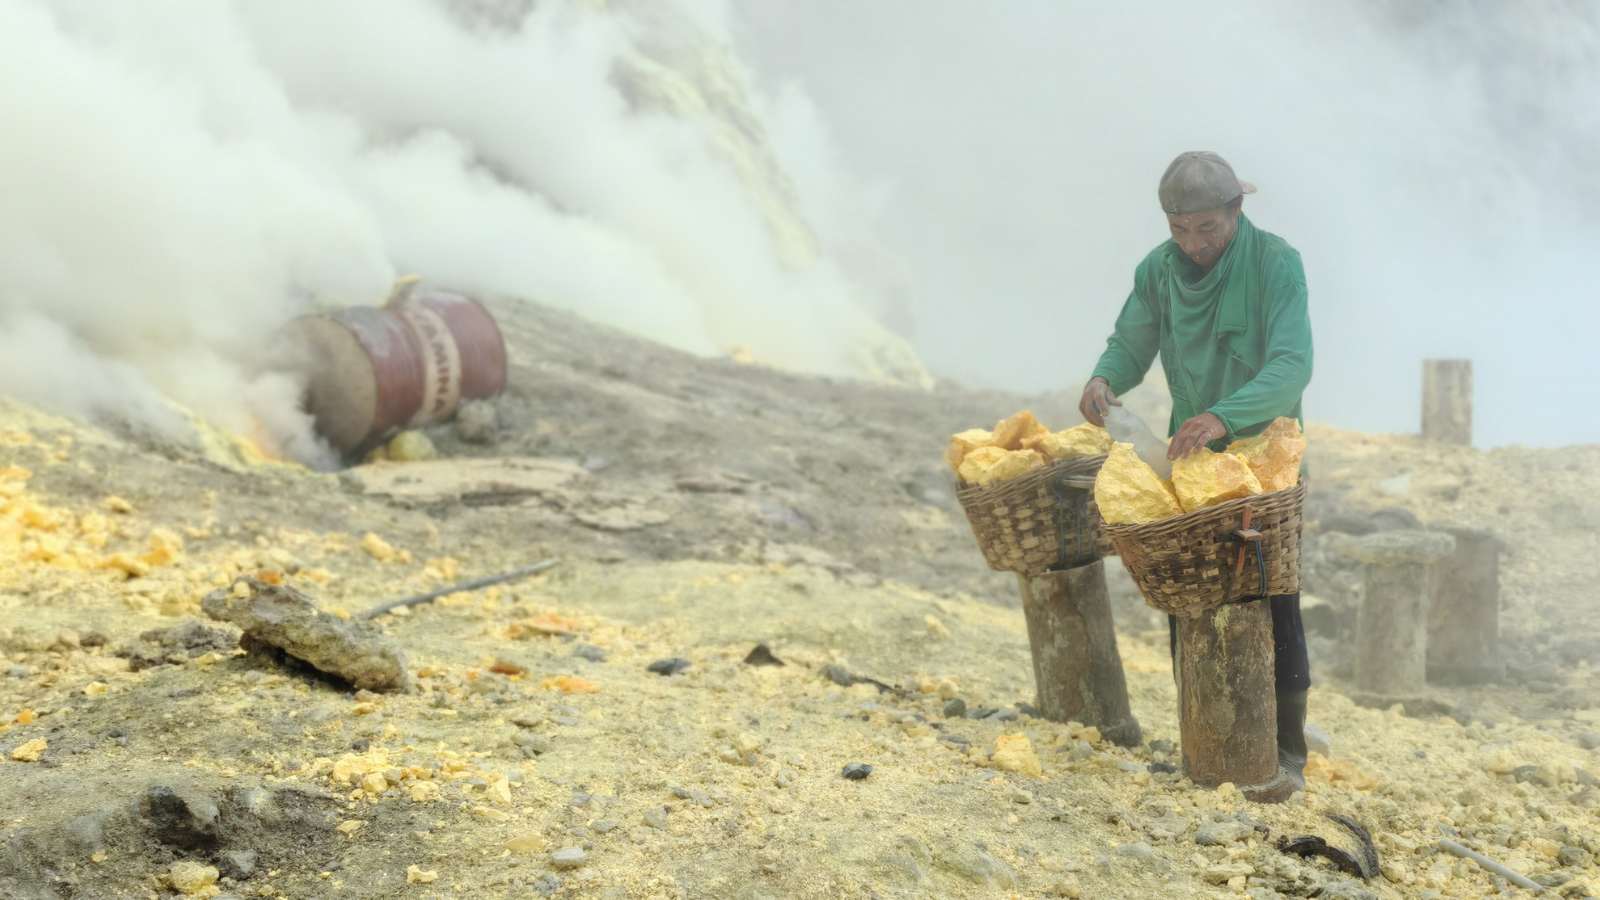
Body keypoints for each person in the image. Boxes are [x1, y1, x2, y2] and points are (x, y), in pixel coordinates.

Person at [1078, 151, 1313, 797]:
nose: (1194, 244)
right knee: (1189, 597)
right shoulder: (1157, 270)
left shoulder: (1275, 264)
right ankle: (1205, 740)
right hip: (1192, 464)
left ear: (1237, 211)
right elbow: (1133, 340)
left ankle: (1286, 751)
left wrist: (1223, 416)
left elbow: (1291, 365)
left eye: (1207, 228)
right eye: (1181, 229)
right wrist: (1106, 377)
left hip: (1265, 464)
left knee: (1272, 598)